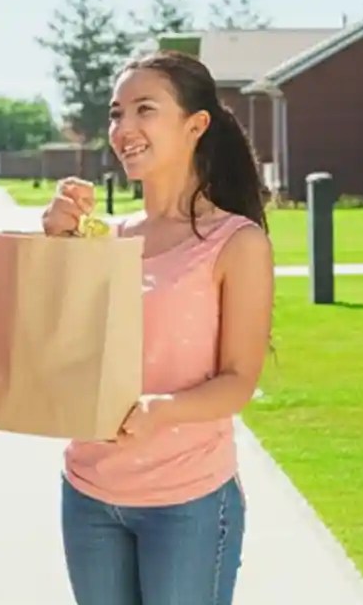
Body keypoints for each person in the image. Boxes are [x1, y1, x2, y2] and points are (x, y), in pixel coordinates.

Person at [41, 50, 276, 605]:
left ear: (196, 125)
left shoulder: (236, 243)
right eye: (116, 113)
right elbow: (56, 348)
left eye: (144, 109)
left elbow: (239, 381)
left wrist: (158, 411)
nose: (124, 129)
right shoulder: (103, 238)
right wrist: (55, 248)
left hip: (187, 501)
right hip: (89, 494)